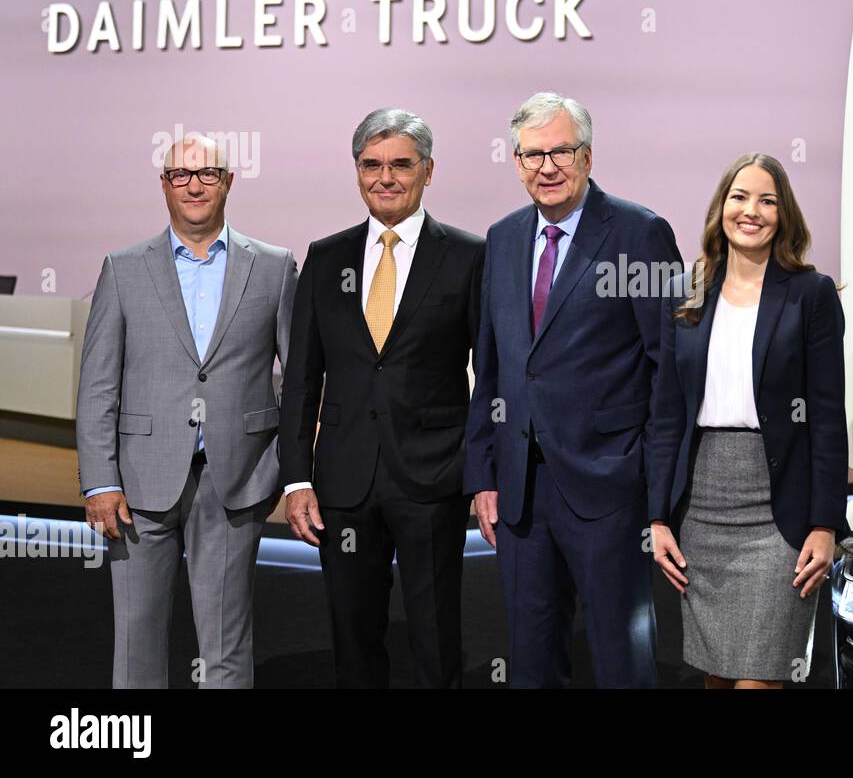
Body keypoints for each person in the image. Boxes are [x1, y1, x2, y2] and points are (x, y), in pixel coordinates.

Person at [465, 91, 681, 688]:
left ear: (588, 156)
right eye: (533, 155)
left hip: (610, 487)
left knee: (622, 659)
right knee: (531, 661)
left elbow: (669, 370)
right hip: (520, 494)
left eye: (561, 151)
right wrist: (484, 473)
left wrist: (655, 486)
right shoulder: (502, 238)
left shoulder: (643, 233)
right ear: (516, 161)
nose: (547, 166)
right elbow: (493, 368)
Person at [76, 133, 296, 688]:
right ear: (165, 184)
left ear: (228, 181)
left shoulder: (273, 266)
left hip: (236, 484)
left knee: (226, 645)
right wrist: (99, 480)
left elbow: (297, 383)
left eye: (206, 174)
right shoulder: (123, 268)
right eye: (180, 175)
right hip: (137, 485)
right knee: (137, 643)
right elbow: (99, 384)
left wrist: (281, 472)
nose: (193, 185)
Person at [278, 107, 484, 688]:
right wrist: (296, 479)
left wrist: (479, 468)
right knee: (352, 636)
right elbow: (301, 379)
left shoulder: (468, 255)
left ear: (428, 170)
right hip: (343, 483)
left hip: (433, 481)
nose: (385, 177)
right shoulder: (326, 256)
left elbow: (489, 374)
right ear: (357, 171)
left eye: (401, 164)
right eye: (371, 165)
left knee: (436, 637)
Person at [648, 152, 848, 689]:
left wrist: (825, 525)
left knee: (759, 677)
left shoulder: (811, 295)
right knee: (718, 674)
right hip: (702, 506)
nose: (751, 210)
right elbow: (667, 415)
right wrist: (659, 517)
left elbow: (827, 417)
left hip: (780, 510)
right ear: (722, 208)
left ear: (784, 215)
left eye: (767, 200)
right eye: (740, 197)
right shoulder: (686, 292)